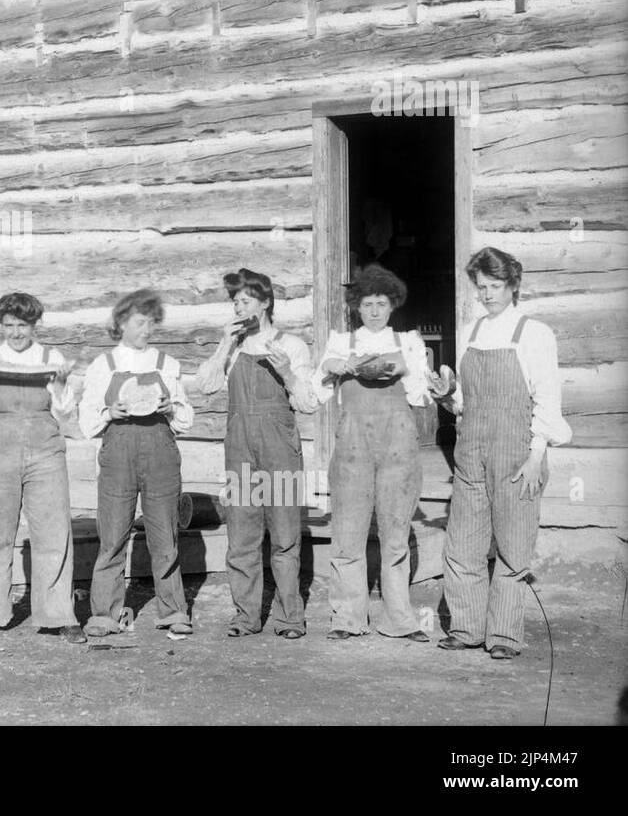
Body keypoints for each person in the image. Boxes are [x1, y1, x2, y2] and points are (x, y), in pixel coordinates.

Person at [429, 247, 570, 660]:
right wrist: (446, 395)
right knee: (462, 545)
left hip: (517, 455)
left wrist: (535, 455)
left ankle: (505, 635)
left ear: (513, 286)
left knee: (513, 546)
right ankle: (467, 627)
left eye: (495, 286)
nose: (487, 294)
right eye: (481, 287)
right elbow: (465, 403)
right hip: (471, 451)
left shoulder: (535, 333)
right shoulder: (472, 333)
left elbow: (547, 398)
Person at [313, 264, 434, 642]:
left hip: (398, 444)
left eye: (382, 303)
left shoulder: (408, 342)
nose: (375, 311)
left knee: (396, 530)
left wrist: (415, 367)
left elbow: (421, 395)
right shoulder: (342, 343)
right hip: (352, 447)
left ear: (392, 305)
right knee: (348, 529)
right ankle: (348, 618)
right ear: (357, 307)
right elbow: (317, 389)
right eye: (367, 304)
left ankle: (399, 619)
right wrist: (336, 366)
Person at [194, 268, 317, 639]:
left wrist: (289, 375)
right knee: (242, 534)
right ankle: (246, 616)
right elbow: (206, 387)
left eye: (245, 300)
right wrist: (222, 346)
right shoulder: (232, 349)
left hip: (278, 447)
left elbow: (309, 403)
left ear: (265, 303)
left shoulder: (291, 345)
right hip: (241, 448)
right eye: (234, 301)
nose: (238, 307)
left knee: (283, 534)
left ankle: (289, 617)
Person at [0, 292, 84, 643]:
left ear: (34, 325)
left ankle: (58, 612)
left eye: (23, 326)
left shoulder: (51, 357)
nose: (16, 333)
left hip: (46, 449)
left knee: (53, 529)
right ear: (1, 325)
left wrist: (60, 383)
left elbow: (66, 416)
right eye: (9, 325)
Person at [79, 289, 195, 638]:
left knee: (165, 535)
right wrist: (108, 412)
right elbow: (86, 419)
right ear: (121, 324)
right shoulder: (104, 365)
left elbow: (186, 417)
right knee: (113, 535)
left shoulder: (166, 364)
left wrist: (172, 409)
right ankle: (104, 612)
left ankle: (173, 611)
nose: (147, 329)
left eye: (151, 323)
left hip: (160, 452)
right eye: (140, 323)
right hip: (118, 454)